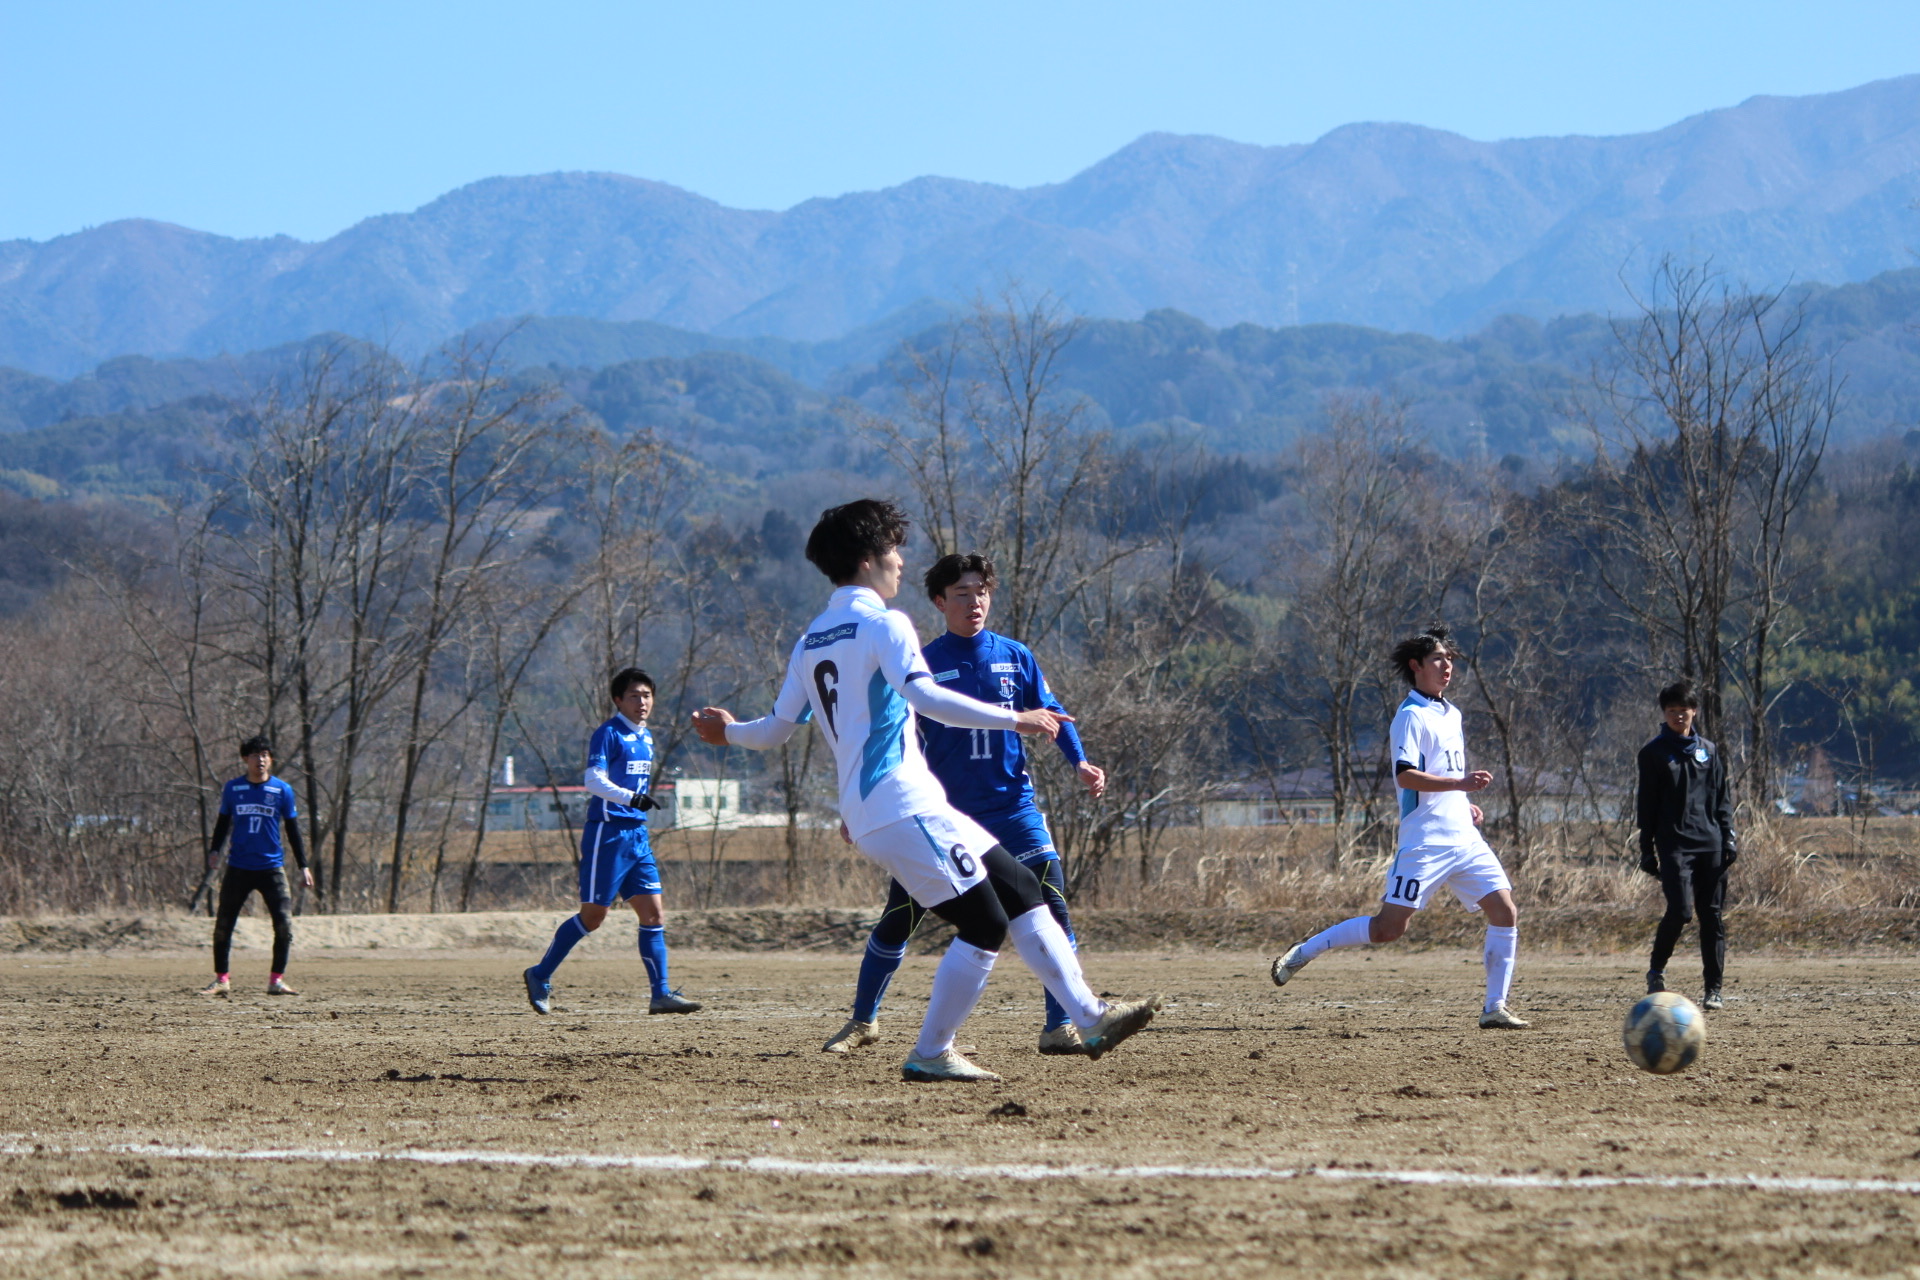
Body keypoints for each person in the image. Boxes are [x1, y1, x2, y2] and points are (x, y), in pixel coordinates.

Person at [692, 499, 1160, 1082]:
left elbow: (775, 730)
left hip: (890, 807)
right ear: (867, 560)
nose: (900, 561)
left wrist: (726, 733)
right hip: (899, 800)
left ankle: (1087, 1015)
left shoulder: (811, 639)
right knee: (985, 924)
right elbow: (927, 699)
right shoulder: (885, 623)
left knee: (1017, 886)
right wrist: (1017, 719)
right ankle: (933, 1051)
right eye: (893, 550)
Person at [821, 552, 1107, 1057]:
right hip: (944, 815)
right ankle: (863, 1019)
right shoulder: (919, 660)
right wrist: (857, 802)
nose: (974, 602)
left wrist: (1079, 763)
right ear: (939, 601)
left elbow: (1054, 715)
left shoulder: (1015, 655)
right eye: (961, 593)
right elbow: (879, 737)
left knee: (1051, 905)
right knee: (900, 915)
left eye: (981, 592)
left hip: (1015, 810)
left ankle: (1059, 1026)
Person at [1269, 627, 1529, 1029]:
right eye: (1438, 659)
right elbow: (1407, 776)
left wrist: (1463, 802)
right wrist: (1460, 785)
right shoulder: (1410, 716)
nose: (1447, 667)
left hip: (1465, 838)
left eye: (1450, 660)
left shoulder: (1451, 713)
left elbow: (1445, 774)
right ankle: (1305, 950)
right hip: (1425, 843)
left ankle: (1494, 1007)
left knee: (1504, 910)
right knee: (1389, 929)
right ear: (1416, 666)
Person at [522, 668, 700, 1016]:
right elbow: (593, 780)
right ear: (618, 700)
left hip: (637, 836)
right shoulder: (608, 733)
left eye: (647, 695)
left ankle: (660, 994)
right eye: (634, 695)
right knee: (593, 917)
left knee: (653, 914)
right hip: (608, 834)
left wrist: (637, 806)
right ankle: (539, 974)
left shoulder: (646, 737)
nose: (642, 702)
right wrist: (631, 798)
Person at [1637, 678, 1735, 1011]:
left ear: (1694, 711)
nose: (1679, 716)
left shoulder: (1709, 749)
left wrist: (1729, 835)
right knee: (1680, 912)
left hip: (1710, 841)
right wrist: (1645, 848)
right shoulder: (1652, 753)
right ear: (1664, 713)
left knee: (1712, 916)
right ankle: (1656, 970)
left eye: (1684, 710)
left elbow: (1722, 796)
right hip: (1674, 843)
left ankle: (1714, 989)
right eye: (1672, 711)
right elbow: (1646, 803)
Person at [200, 736, 312, 996]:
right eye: (254, 755)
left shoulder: (282, 790)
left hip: (272, 868)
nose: (260, 760)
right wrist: (214, 850)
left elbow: (293, 830)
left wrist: (304, 865)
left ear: (270, 759)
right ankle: (222, 980)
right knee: (223, 925)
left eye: (264, 755)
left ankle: (276, 981)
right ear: (245, 759)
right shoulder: (233, 789)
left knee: (284, 925)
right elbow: (222, 823)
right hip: (238, 867)